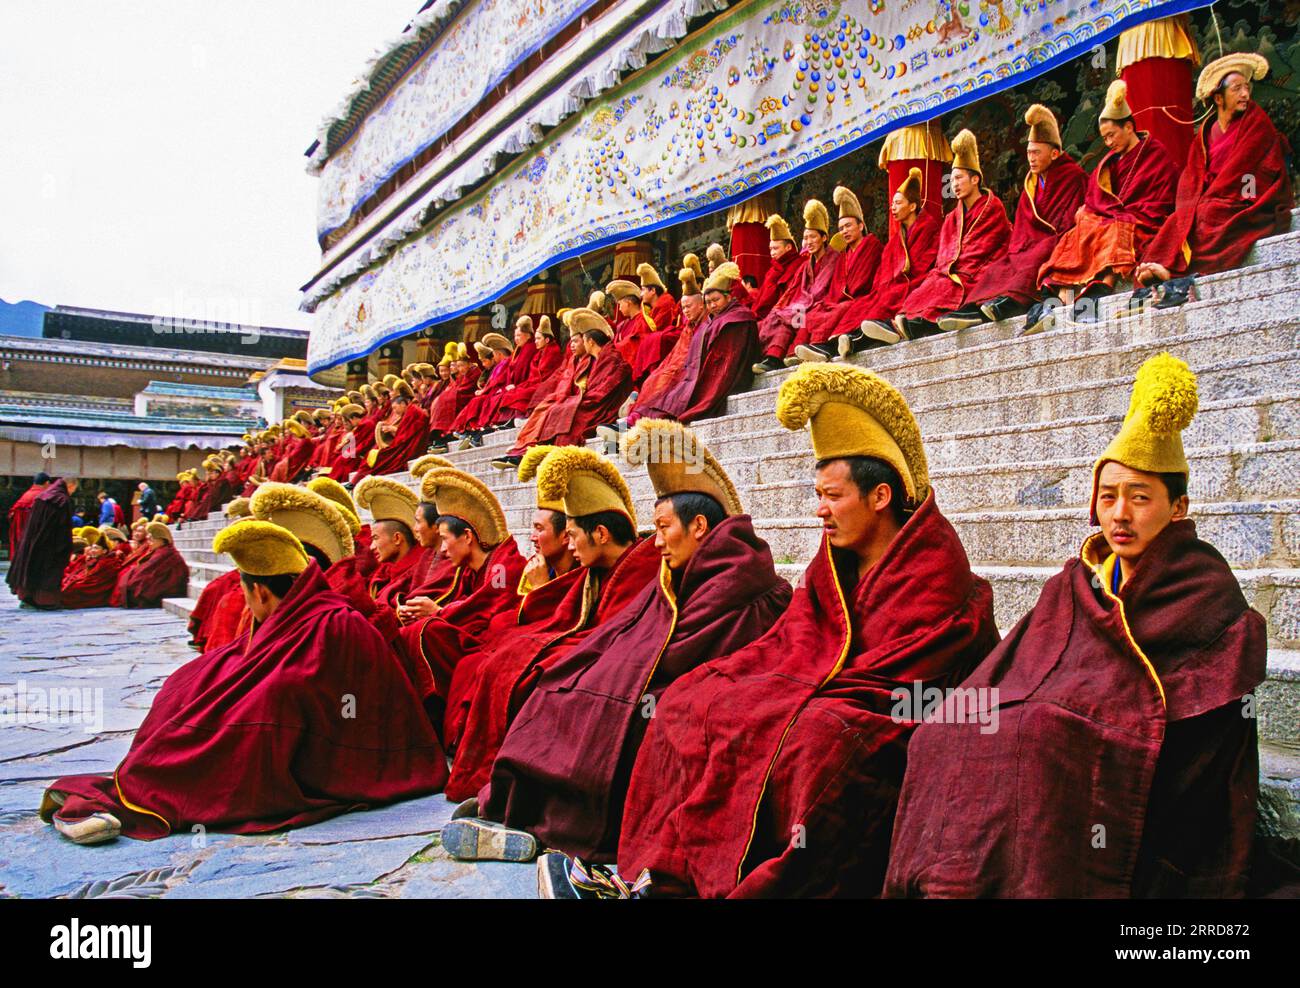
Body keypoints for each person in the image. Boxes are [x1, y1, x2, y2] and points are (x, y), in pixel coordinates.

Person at [885, 354, 1267, 897]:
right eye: (1108, 497)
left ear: (1177, 506)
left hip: (1142, 752)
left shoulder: (1205, 592)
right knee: (943, 732)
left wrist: (1072, 714)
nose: (1120, 515)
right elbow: (1020, 665)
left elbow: (1198, 714)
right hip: (1061, 717)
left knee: (1040, 738)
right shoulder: (1078, 579)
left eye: (1140, 499)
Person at [615, 364, 999, 897]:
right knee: (692, 699)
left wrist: (795, 699)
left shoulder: (932, 563)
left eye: (833, 496)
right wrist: (760, 681)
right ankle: (665, 873)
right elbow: (799, 635)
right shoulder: (835, 557)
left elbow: (917, 673)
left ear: (881, 497)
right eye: (818, 494)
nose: (820, 510)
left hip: (904, 706)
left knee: (814, 738)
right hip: (833, 684)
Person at [464, 420, 792, 882]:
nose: (655, 542)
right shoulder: (677, 569)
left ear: (699, 527)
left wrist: (617, 679)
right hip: (660, 677)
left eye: (663, 528)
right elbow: (628, 631)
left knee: (628, 715)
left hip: (690, 687)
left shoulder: (742, 575)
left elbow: (692, 648)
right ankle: (513, 805)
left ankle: (551, 826)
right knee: (562, 683)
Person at [39, 519, 449, 844]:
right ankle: (139, 782)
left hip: (346, 757)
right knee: (187, 683)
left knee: (254, 712)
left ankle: (148, 790)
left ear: (262, 593)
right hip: (359, 747)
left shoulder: (334, 622)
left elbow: (301, 689)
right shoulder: (303, 613)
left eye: (247, 593)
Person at [439, 446, 661, 808]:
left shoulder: (643, 567)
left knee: (539, 676)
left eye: (572, 535)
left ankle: (519, 795)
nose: (570, 546)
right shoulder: (596, 569)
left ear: (601, 534)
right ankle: (492, 783)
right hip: (593, 648)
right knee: (507, 659)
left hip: (623, 668)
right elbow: (565, 619)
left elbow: (627, 635)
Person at [1134, 52, 1294, 308]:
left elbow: (1247, 170)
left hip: (1245, 197)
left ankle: (1175, 274)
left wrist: (1214, 197)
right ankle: (1157, 271)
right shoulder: (1206, 131)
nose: (1245, 95)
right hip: (1211, 198)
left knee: (1210, 214)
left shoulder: (1256, 123)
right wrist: (1193, 202)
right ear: (1218, 98)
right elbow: (1193, 174)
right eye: (1237, 89)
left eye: (1247, 88)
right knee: (1176, 222)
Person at [1029, 80, 1178, 334]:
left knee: (1112, 228)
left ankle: (1097, 292)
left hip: (1141, 219)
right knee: (1072, 235)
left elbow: (1161, 198)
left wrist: (1115, 214)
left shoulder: (1154, 154)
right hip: (1111, 219)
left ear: (1129, 127)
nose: (1108, 143)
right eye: (1104, 138)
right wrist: (1090, 212)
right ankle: (1050, 299)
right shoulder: (1108, 164)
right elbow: (1094, 199)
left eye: (1112, 135)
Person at [936, 105, 1088, 331]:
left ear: (1054, 153)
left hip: (1058, 241)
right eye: (1028, 153)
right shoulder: (1031, 184)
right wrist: (1019, 248)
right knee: (999, 268)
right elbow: (1023, 226)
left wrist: (1035, 244)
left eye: (1037, 153)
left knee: (1034, 259)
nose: (1031, 159)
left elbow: (1071, 220)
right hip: (1028, 244)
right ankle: (976, 308)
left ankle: (1010, 303)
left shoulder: (1073, 176)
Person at [893, 129, 1011, 340]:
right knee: (925, 289)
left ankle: (928, 322)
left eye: (959, 178)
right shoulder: (951, 217)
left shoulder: (992, 208)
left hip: (981, 267)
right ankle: (917, 322)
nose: (954, 184)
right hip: (952, 270)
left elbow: (986, 245)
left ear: (975, 179)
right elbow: (944, 257)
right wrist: (945, 271)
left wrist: (954, 270)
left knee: (948, 285)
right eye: (952, 180)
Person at [619, 260, 757, 431]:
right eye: (710, 301)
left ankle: (636, 422)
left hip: (717, 376)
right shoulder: (704, 323)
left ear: (728, 297)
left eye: (716, 300)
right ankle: (633, 420)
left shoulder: (735, 318)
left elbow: (725, 359)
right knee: (656, 383)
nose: (713, 305)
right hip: (693, 371)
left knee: (675, 394)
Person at [835, 168, 943, 354]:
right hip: (893, 286)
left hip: (916, 281)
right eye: (892, 203)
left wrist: (895, 284)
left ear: (912, 206)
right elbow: (882, 272)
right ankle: (847, 339)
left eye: (898, 203)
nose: (892, 207)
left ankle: (866, 336)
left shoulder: (929, 228)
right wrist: (881, 287)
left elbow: (927, 263)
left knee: (888, 297)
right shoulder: (894, 240)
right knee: (867, 302)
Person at [795, 185, 885, 361]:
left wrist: (838, 299)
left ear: (861, 225)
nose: (844, 231)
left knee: (838, 309)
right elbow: (836, 286)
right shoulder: (842, 255)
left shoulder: (871, 245)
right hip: (834, 301)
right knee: (810, 314)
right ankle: (799, 352)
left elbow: (861, 281)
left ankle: (825, 347)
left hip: (862, 297)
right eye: (841, 227)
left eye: (848, 226)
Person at [753, 199, 842, 371]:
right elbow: (796, 290)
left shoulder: (834, 258)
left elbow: (827, 287)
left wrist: (802, 304)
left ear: (824, 237)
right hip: (805, 304)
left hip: (824, 302)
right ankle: (774, 357)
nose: (808, 242)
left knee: (799, 315)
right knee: (784, 316)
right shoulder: (806, 265)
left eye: (813, 237)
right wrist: (787, 308)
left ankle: (794, 353)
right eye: (805, 238)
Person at [7, 475, 79, 609]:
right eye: (73, 489)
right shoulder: (62, 500)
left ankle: (27, 597)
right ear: (70, 486)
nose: (72, 492)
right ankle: (46, 601)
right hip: (50, 543)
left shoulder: (42, 496)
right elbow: (63, 527)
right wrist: (65, 547)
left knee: (32, 566)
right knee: (48, 571)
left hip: (32, 539)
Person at [355, 379, 429, 478]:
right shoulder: (408, 412)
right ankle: (360, 477)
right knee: (375, 454)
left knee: (382, 457)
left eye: (395, 408)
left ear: (403, 404)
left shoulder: (413, 412)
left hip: (410, 449)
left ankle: (362, 477)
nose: (394, 411)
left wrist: (392, 430)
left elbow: (405, 435)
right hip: (403, 445)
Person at [734, 215, 802, 322]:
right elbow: (762, 299)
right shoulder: (772, 271)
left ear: (788, 247)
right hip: (766, 316)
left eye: (776, 248)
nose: (772, 253)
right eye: (770, 249)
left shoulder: (799, 264)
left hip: (791, 312)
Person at [115, 522, 189, 608]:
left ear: (162, 539)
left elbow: (150, 571)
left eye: (151, 539)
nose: (149, 543)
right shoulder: (159, 550)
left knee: (134, 582)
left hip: (169, 587)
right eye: (148, 539)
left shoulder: (166, 553)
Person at [60, 526, 126, 609]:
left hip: (95, 590)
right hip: (84, 581)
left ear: (104, 551)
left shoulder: (108, 563)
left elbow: (95, 581)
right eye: (92, 548)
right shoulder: (93, 559)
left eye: (96, 548)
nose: (92, 551)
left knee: (71, 589)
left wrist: (77, 583)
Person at [7, 472, 49, 558]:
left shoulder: (26, 494)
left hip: (22, 536)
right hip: (34, 535)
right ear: (47, 483)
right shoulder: (44, 495)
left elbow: (11, 515)